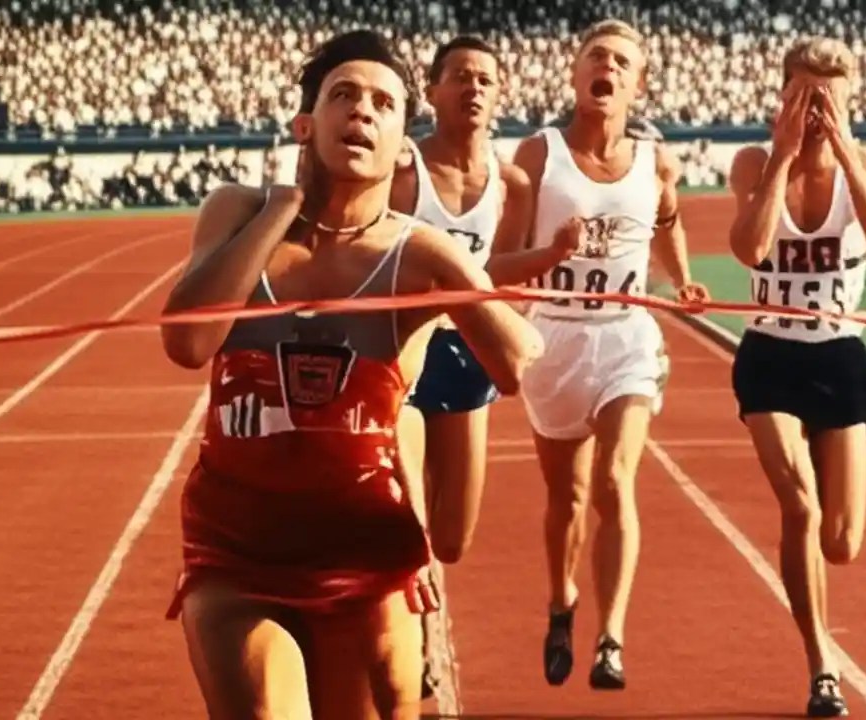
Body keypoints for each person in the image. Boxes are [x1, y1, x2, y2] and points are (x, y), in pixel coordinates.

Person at [157, 30, 543, 720]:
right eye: (343, 96)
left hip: (363, 557)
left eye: (382, 103)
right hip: (236, 553)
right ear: (306, 125)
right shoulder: (237, 212)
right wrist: (281, 208)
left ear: (403, 145)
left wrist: (467, 289)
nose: (361, 111)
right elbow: (187, 343)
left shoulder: (419, 253)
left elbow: (514, 362)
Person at [510, 18, 710, 691]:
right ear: (574, 72)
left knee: (615, 482)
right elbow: (500, 261)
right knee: (566, 496)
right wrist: (548, 256)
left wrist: (680, 279)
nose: (608, 68)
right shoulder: (537, 157)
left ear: (638, 83)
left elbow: (668, 219)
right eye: (596, 56)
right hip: (554, 341)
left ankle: (612, 637)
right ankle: (562, 600)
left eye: (622, 61)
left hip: (627, 337)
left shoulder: (657, 160)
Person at [387, 33, 576, 700]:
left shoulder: (513, 184)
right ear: (432, 91)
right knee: (405, 524)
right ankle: (410, 649)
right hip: (402, 354)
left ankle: (411, 626)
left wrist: (552, 254)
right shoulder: (403, 170)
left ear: (500, 95)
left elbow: (492, 276)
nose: (472, 87)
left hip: (467, 355)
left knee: (454, 537)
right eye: (459, 76)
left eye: (484, 78)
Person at [726, 37, 866, 717]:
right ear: (782, 94)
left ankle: (822, 644)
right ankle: (821, 664)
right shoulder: (752, 160)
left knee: (842, 542)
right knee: (797, 505)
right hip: (771, 354)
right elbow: (750, 246)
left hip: (839, 356)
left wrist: (850, 152)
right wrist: (781, 154)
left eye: (828, 95)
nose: (816, 108)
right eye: (803, 93)